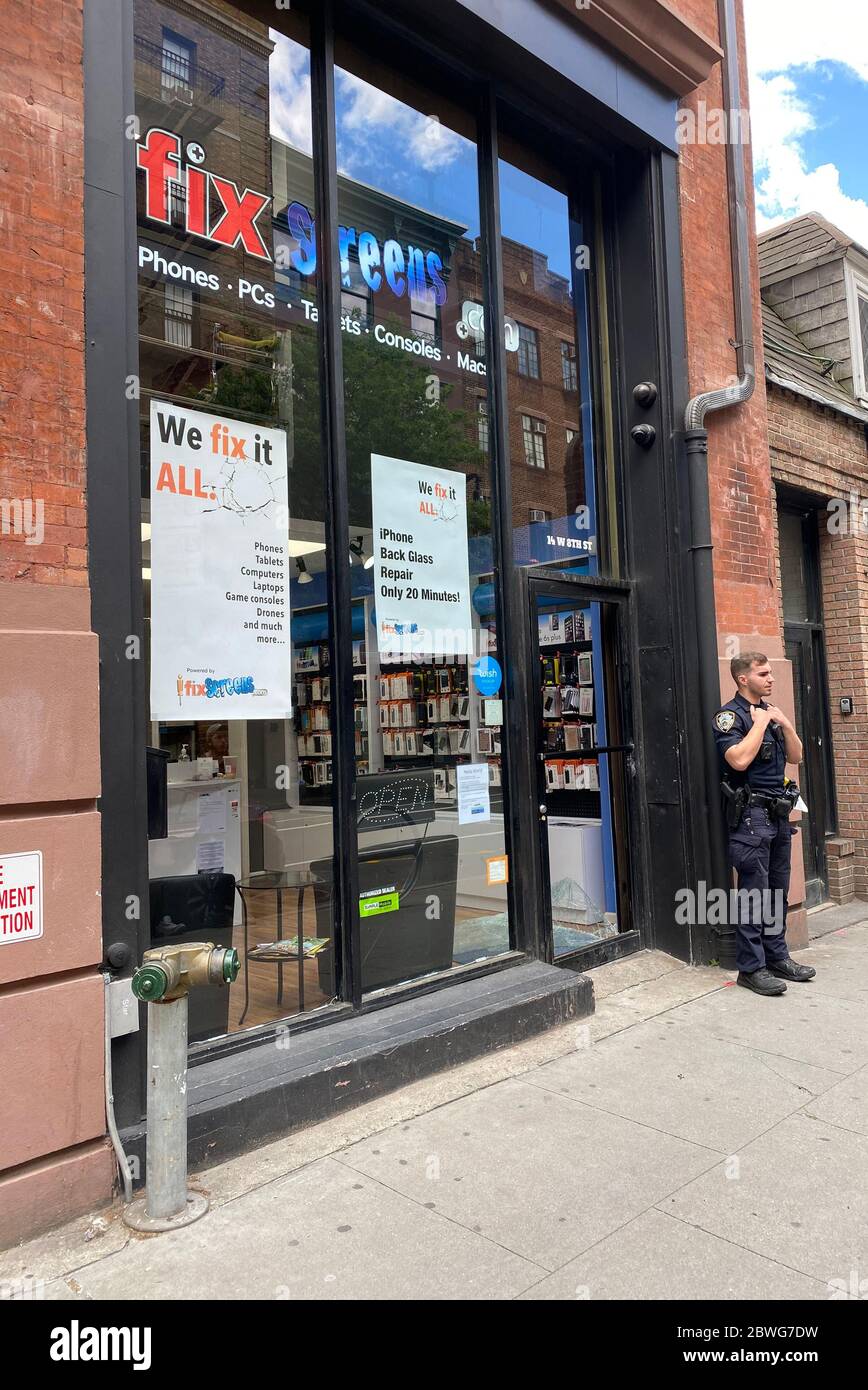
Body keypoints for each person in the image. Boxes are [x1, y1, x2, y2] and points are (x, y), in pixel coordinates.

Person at [712, 652, 816, 996]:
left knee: (776, 892)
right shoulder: (730, 716)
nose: (770, 678)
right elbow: (738, 760)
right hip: (751, 819)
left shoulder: (770, 714)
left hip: (778, 814)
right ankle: (751, 968)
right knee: (753, 895)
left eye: (771, 673)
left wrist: (784, 723)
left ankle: (777, 957)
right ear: (744, 678)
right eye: (763, 673)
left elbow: (796, 756)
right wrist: (759, 722)